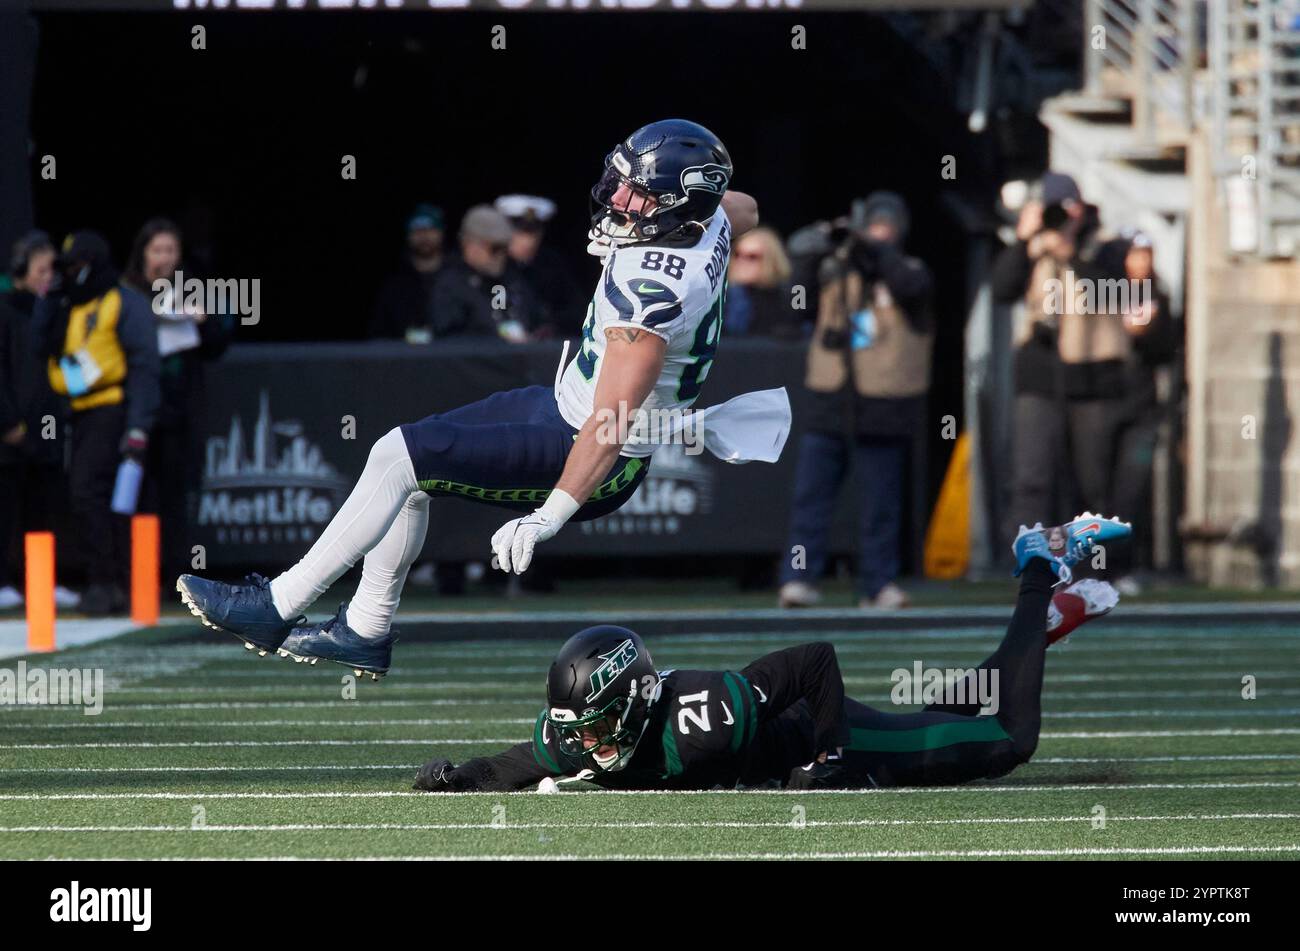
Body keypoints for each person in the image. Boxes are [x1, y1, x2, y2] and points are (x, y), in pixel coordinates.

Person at [178, 119, 778, 679]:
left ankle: (279, 603)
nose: (618, 201)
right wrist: (687, 210)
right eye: (621, 185)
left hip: (594, 447)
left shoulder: (654, 294)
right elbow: (742, 207)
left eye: (636, 194)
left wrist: (551, 515)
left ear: (677, 204)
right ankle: (363, 627)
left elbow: (611, 421)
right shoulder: (708, 220)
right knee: (407, 466)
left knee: (398, 455)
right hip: (564, 402)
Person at [412, 515, 1130, 792]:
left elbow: (814, 659)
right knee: (955, 707)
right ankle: (1053, 617)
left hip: (828, 730)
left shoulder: (704, 717)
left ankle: (1038, 570)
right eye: (582, 728)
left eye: (600, 724)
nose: (586, 741)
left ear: (633, 703)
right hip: (797, 742)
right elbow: (516, 762)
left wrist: (829, 759)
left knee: (1005, 738)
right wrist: (457, 776)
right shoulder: (584, 728)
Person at [777, 192, 934, 610]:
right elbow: (795, 309)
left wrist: (873, 251)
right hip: (831, 398)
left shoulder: (910, 270)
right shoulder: (835, 273)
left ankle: (877, 583)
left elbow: (910, 287)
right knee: (812, 497)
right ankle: (799, 578)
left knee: (880, 503)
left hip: (884, 405)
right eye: (871, 225)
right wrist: (812, 255)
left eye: (885, 225)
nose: (877, 232)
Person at [33, 231, 160, 616]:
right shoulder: (67, 303)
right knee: (83, 498)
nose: (72, 273)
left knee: (95, 494)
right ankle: (106, 582)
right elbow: (40, 345)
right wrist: (48, 301)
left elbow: (144, 366)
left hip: (112, 411)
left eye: (78, 266)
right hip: (74, 413)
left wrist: (138, 425)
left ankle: (110, 583)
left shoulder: (123, 301)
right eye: (67, 267)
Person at [122, 218, 234, 586]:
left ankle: (178, 578)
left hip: (181, 408)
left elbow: (218, 343)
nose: (164, 258)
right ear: (143, 253)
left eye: (171, 250)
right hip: (136, 408)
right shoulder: (126, 293)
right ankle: (137, 576)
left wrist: (202, 319)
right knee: (136, 493)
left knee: (177, 495)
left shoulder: (192, 289)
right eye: (157, 250)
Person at [0, 231, 79, 611]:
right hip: (10, 431)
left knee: (43, 509)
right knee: (6, 509)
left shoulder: (54, 311)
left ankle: (42, 581)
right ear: (21, 270)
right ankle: (2, 582)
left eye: (52, 269)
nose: (49, 276)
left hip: (46, 428)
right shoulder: (4, 308)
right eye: (41, 269)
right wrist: (7, 421)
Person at [431, 206, 538, 342]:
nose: (501, 255)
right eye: (495, 248)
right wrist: (498, 342)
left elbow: (534, 319)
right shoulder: (450, 286)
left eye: (505, 248)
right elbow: (448, 342)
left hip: (519, 361)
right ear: (470, 245)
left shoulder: (511, 279)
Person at [494, 193, 581, 338]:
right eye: (520, 232)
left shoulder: (551, 265)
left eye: (533, 232)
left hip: (543, 351)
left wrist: (551, 328)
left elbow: (575, 309)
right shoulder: (494, 266)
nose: (528, 241)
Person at [369, 203, 447, 342]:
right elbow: (379, 337)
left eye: (430, 229)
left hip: (453, 360)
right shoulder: (394, 286)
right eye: (417, 230)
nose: (424, 236)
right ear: (408, 236)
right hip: (406, 360)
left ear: (441, 233)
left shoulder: (460, 280)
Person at [724, 225, 803, 340]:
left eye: (752, 257)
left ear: (771, 260)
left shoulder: (792, 296)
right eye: (737, 254)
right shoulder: (721, 296)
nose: (741, 261)